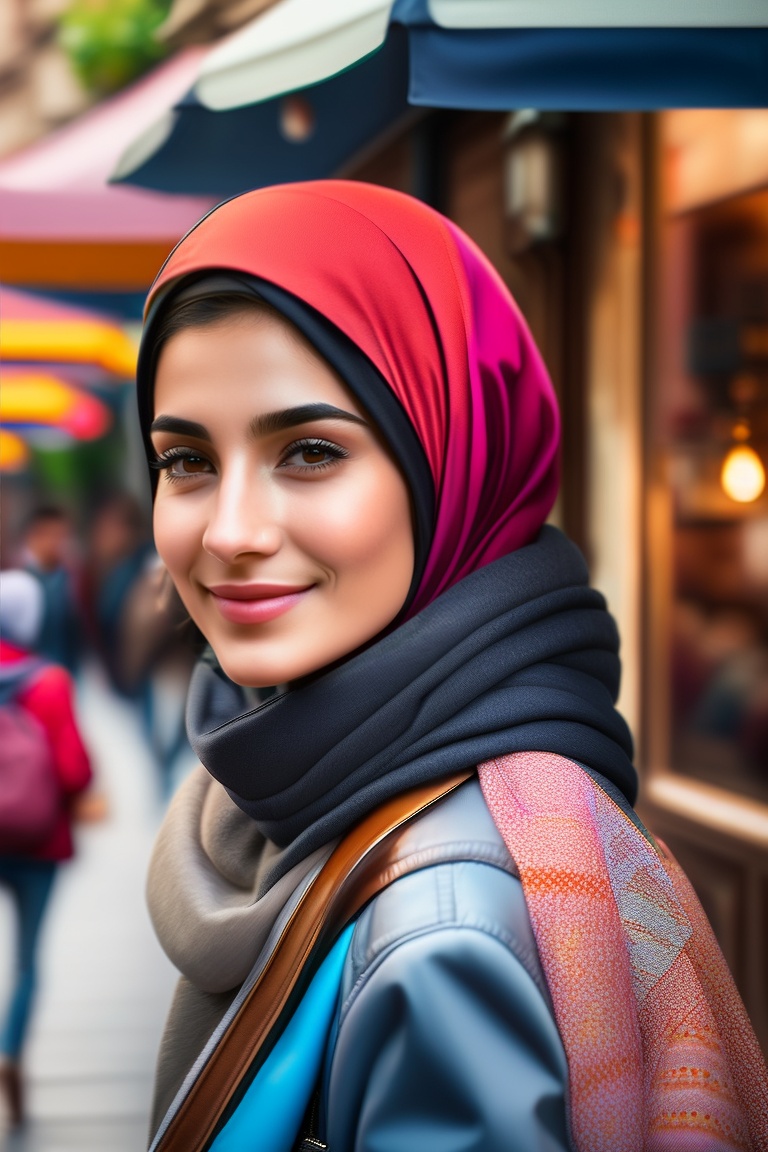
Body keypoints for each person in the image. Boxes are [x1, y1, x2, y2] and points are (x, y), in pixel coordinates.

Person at [136, 182, 768, 1152]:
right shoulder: (312, 808)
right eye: (185, 462)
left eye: (308, 451)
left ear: (454, 465)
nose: (230, 532)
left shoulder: (441, 930)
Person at [0, 570, 93, 1128]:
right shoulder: (49, 682)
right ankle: (10, 1050)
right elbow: (74, 771)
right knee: (29, 959)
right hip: (37, 840)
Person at [18, 505, 83, 675]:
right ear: (32, 536)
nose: (55, 543)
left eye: (61, 536)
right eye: (49, 535)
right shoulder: (20, 581)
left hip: (69, 673)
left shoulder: (74, 579)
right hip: (32, 676)